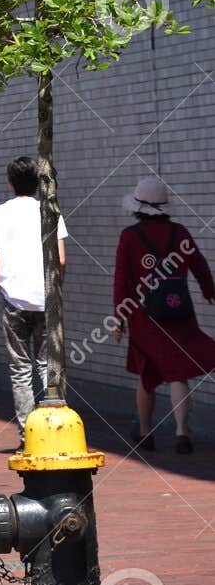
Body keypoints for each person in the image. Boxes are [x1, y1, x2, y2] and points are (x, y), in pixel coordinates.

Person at [112, 177, 215, 454]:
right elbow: (200, 266)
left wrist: (118, 318)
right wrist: (209, 292)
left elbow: (122, 280)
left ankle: (146, 432)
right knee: (178, 372)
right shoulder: (179, 232)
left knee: (147, 373)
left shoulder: (130, 236)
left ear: (138, 207)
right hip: (179, 310)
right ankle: (182, 432)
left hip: (144, 315)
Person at [0, 156, 67, 442]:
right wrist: (54, 291)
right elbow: (61, 259)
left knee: (20, 368)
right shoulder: (50, 212)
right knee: (46, 365)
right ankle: (54, 428)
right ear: (39, 183)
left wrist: (4, 286)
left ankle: (27, 435)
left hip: (14, 300)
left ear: (10, 183)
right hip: (47, 299)